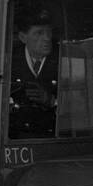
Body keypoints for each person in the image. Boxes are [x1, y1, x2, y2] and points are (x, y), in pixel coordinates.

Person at [9, 8, 59, 137]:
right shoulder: (9, 62)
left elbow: (82, 101)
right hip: (19, 137)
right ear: (22, 37)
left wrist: (52, 101)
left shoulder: (64, 58)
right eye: (39, 33)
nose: (47, 38)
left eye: (49, 32)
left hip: (55, 136)